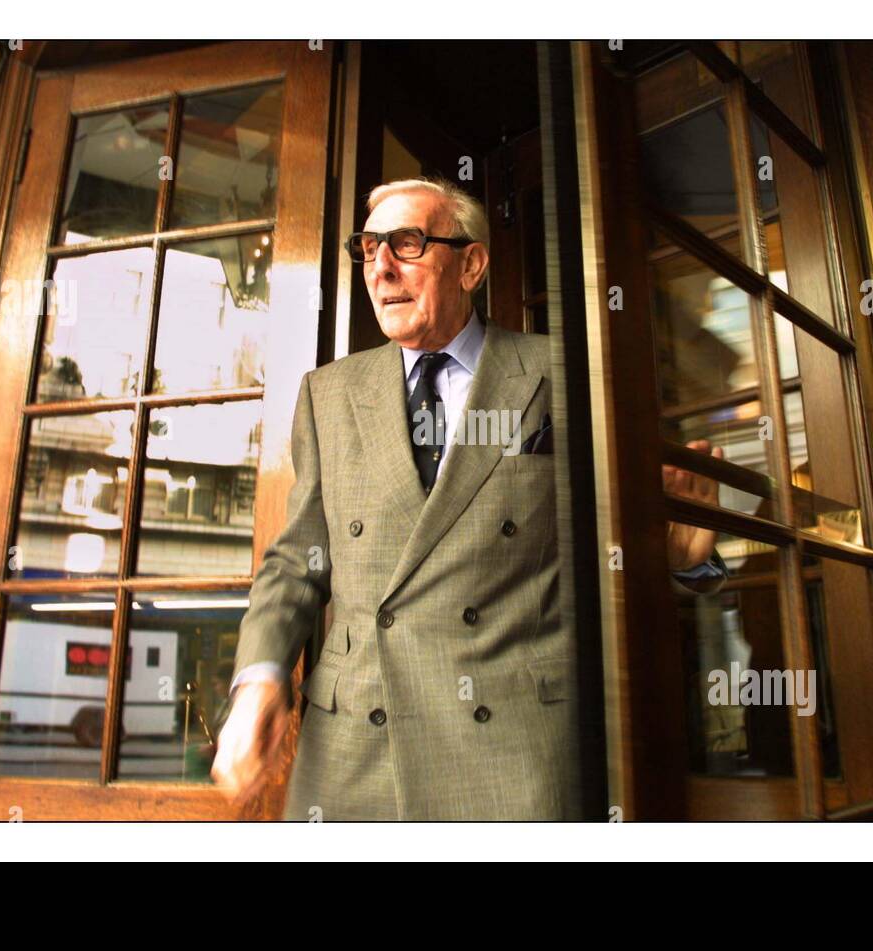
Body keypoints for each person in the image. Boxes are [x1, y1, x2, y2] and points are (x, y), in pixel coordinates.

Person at [211, 176, 724, 819]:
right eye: (369, 249)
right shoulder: (327, 393)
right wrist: (260, 678)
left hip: (511, 752)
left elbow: (615, 561)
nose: (381, 268)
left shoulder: (566, 375)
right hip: (353, 758)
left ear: (472, 264)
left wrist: (678, 563)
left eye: (406, 243)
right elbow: (298, 562)